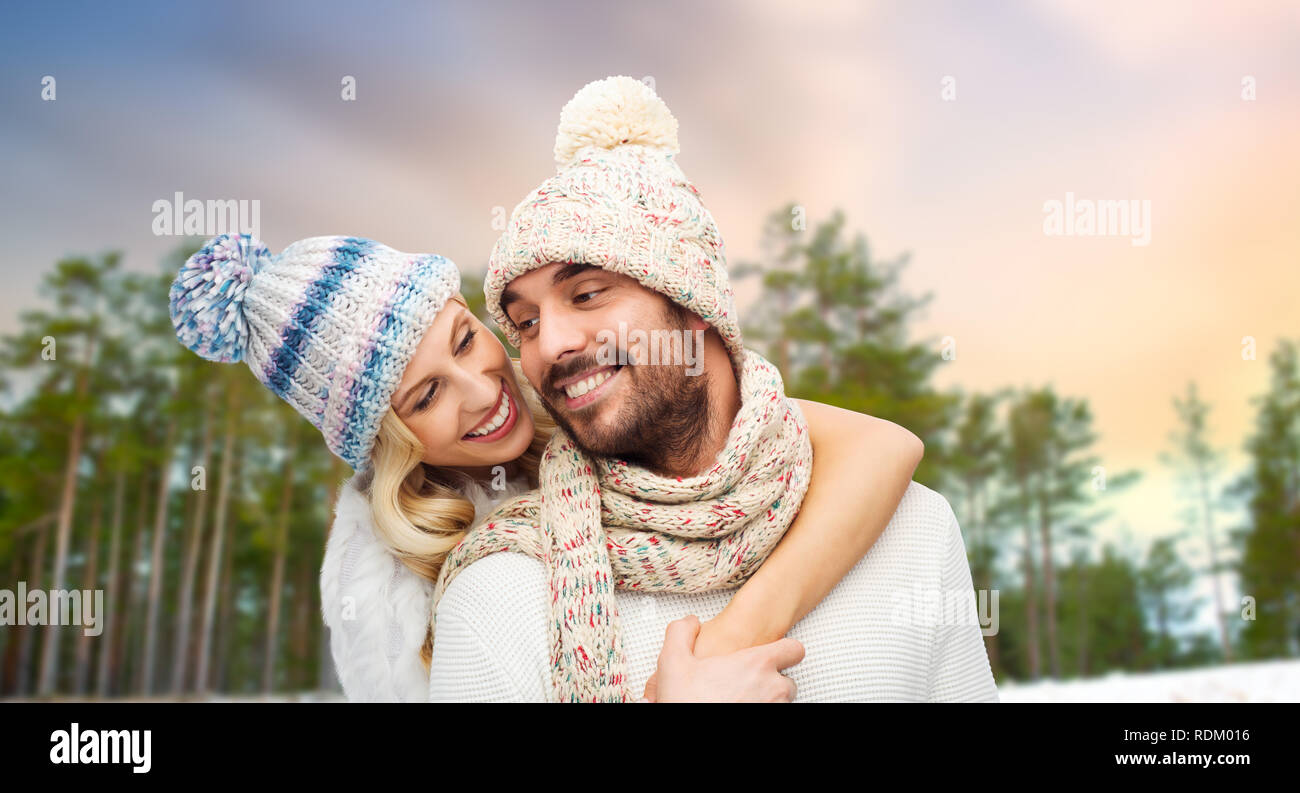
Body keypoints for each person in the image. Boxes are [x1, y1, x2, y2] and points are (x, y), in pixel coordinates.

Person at [424, 76, 999, 701]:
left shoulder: (912, 525)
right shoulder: (498, 593)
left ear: (693, 307)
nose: (549, 344)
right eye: (526, 322)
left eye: (587, 294)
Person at [168, 231, 923, 702]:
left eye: (465, 340)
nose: (483, 392)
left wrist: (734, 636)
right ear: (385, 440)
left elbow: (884, 446)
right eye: (427, 394)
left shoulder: (579, 387)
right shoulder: (396, 595)